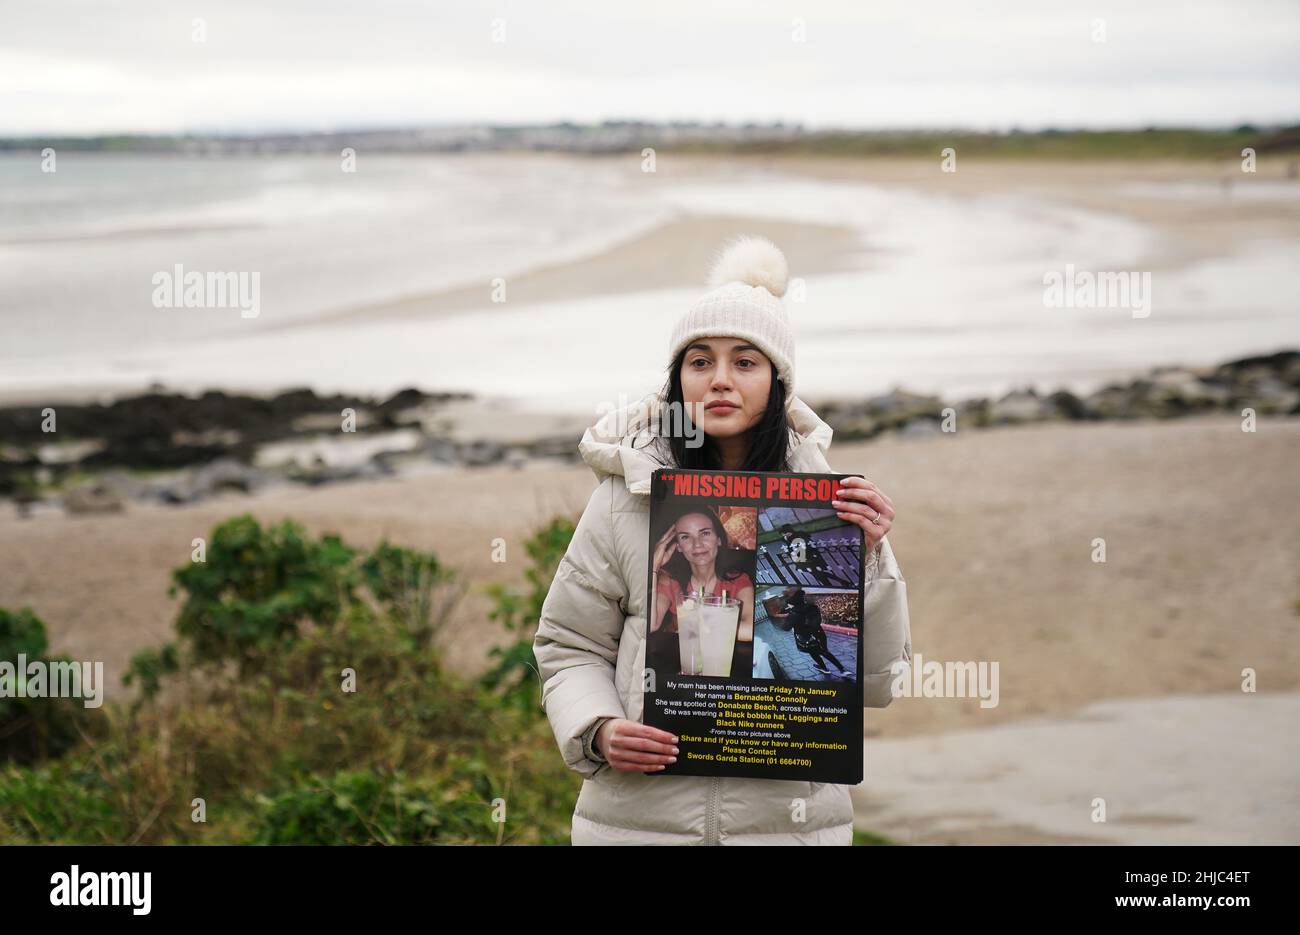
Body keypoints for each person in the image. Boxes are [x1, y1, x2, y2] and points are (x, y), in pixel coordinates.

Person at [532, 234, 912, 845]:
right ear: (678, 378)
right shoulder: (623, 496)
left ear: (778, 381)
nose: (719, 381)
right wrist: (597, 728)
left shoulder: (830, 507)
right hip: (636, 824)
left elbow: (877, 680)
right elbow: (568, 644)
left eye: (745, 361)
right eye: (700, 361)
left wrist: (867, 558)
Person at [648, 507, 755, 677]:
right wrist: (654, 566)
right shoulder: (670, 581)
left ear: (718, 539)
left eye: (705, 533)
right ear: (678, 547)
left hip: (720, 668)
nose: (697, 544)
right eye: (685, 537)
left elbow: (750, 630)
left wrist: (697, 622)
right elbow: (651, 624)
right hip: (684, 668)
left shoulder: (738, 581)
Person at [772, 586, 849, 678]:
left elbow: (786, 628)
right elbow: (818, 620)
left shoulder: (793, 614)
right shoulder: (812, 607)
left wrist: (779, 618)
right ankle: (842, 670)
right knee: (824, 651)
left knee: (813, 652)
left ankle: (824, 668)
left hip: (805, 638)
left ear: (792, 603)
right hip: (819, 633)